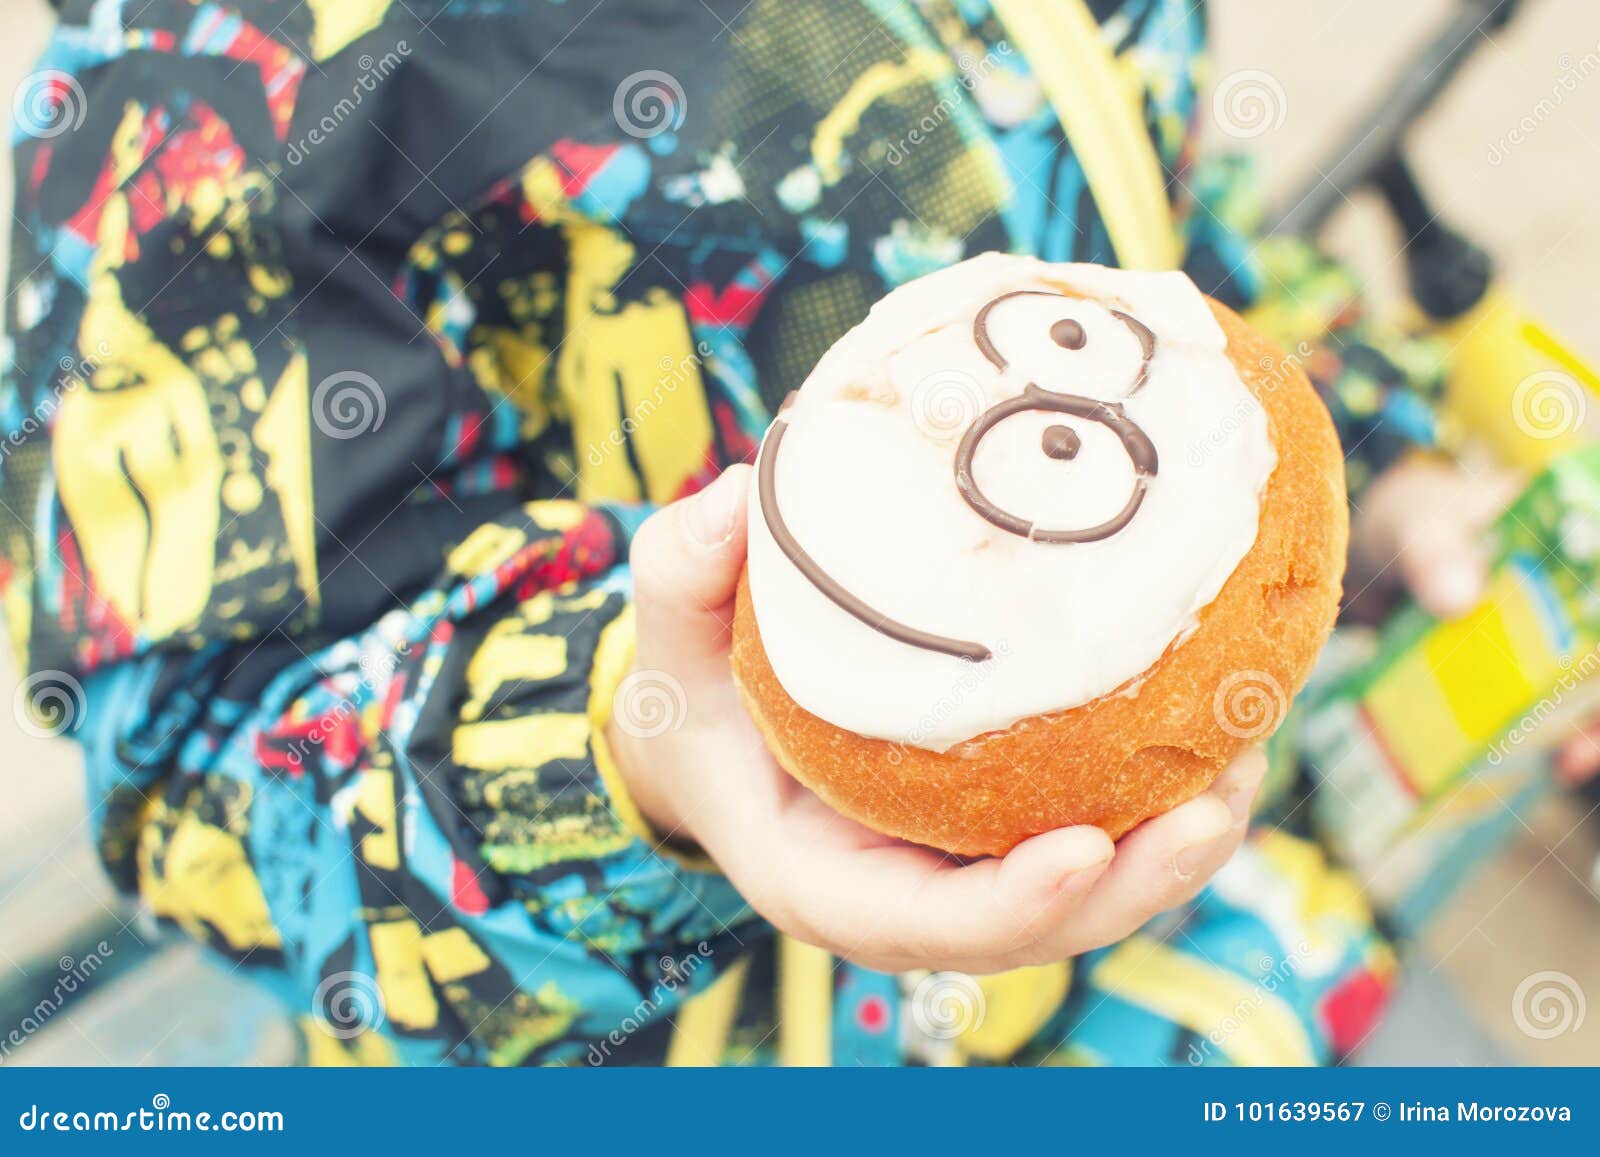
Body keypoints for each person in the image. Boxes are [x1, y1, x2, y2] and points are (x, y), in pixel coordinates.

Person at [2, 0, 1579, 1066]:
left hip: (1189, 984)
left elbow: (1142, 228)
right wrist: (636, 759)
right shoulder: (215, 74)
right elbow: (196, 780)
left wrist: (1370, 469)